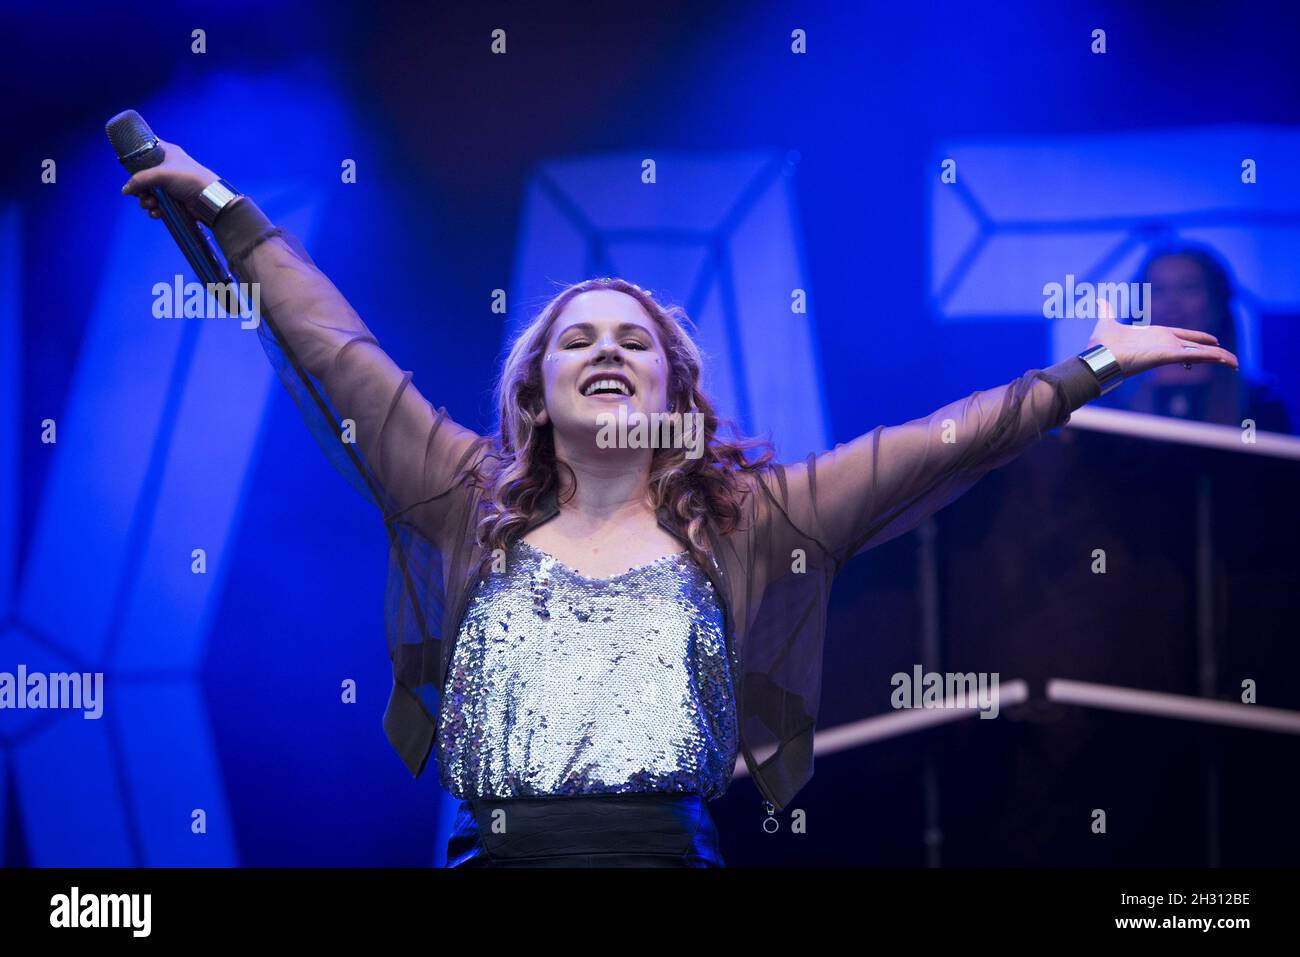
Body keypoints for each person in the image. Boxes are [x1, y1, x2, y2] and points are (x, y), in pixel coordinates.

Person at [121, 142, 1240, 867]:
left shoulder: (755, 517)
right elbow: (337, 349)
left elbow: (933, 448)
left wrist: (1083, 370)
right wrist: (224, 205)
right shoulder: (461, 499)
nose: (606, 349)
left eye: (633, 340)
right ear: (536, 389)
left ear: (671, 386)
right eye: (578, 337)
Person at [1091, 243, 1291, 433]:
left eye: (1188, 288)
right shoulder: (1109, 402)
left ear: (1215, 303)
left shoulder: (1259, 401)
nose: (1172, 301)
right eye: (1159, 290)